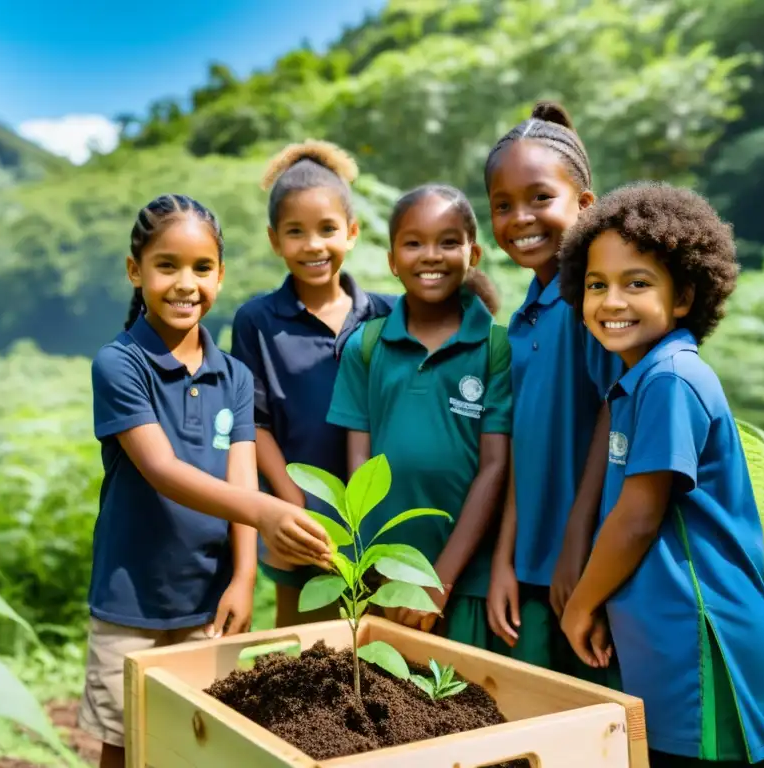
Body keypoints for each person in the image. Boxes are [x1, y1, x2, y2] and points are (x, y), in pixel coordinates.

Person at [77, 193, 331, 768]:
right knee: (126, 741)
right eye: (166, 266)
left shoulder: (234, 376)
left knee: (199, 742)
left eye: (202, 267)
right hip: (130, 603)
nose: (185, 283)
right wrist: (268, 514)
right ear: (134, 270)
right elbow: (162, 470)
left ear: (220, 274)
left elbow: (243, 478)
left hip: (209, 602)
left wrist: (244, 577)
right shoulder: (119, 364)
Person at [557, 181, 764, 766]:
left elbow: (637, 518)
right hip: (658, 633)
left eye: (637, 283)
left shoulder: (670, 380)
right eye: (596, 285)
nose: (612, 301)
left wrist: (581, 605)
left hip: (700, 636)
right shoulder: (637, 382)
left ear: (683, 296)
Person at [327, 183, 513, 648]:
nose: (431, 255)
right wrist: (372, 567)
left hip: (466, 580)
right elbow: (360, 475)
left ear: (473, 254)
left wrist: (440, 580)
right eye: (414, 243)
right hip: (380, 581)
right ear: (392, 259)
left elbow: (495, 468)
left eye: (448, 242)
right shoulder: (364, 347)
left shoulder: (496, 348)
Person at [482, 101, 622, 684]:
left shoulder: (599, 305)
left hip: (595, 565)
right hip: (536, 570)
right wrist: (505, 559)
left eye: (541, 198)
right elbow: (523, 449)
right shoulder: (524, 318)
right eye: (503, 205)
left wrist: (576, 546)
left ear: (585, 204)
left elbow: (614, 420)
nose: (521, 218)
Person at [230, 140, 395, 628]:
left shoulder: (387, 315)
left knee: (384, 653)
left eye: (327, 229)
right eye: (295, 232)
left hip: (380, 522)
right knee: (310, 657)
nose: (313, 245)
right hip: (302, 526)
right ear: (274, 239)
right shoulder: (257, 320)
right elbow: (252, 422)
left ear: (352, 231)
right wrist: (290, 500)